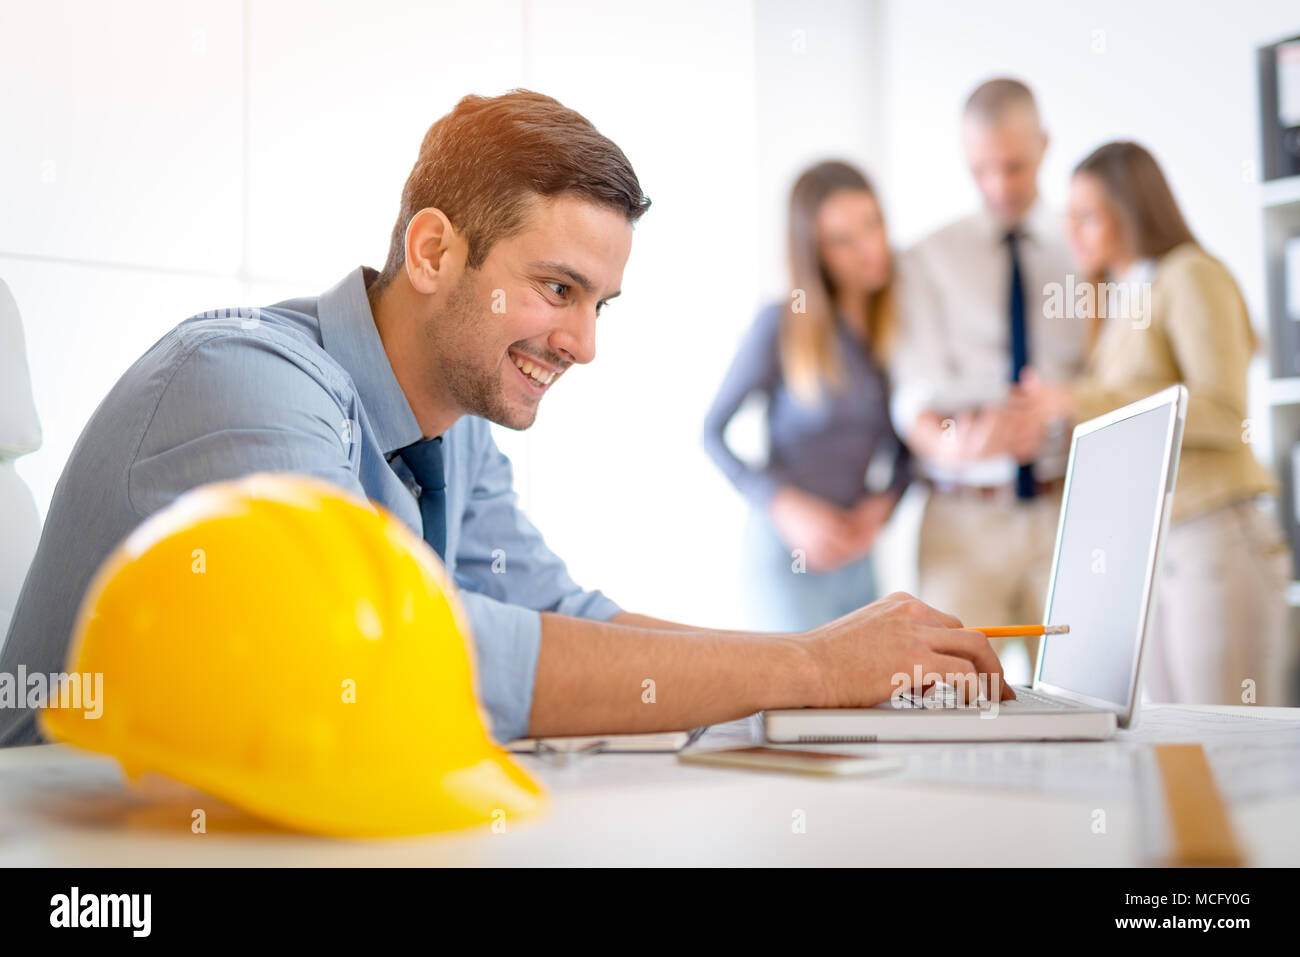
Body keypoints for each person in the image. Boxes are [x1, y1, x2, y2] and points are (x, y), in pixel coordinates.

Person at [0, 91, 1013, 750]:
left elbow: (559, 619)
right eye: (557, 288)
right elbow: (367, 652)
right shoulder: (242, 379)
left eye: (598, 306)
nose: (583, 343)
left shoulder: (455, 423)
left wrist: (824, 665)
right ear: (434, 251)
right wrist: (807, 668)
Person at [1017, 141, 1293, 706]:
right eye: (1068, 215)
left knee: (1223, 737)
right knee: (1170, 738)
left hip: (1214, 534)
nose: (1072, 232)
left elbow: (1221, 408)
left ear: (1132, 210)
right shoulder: (1121, 297)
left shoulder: (1190, 274)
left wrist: (1079, 401)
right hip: (1157, 546)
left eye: (1088, 215)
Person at [889, 78, 1089, 677]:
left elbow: (1114, 377)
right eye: (981, 170)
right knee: (954, 699)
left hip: (1067, 513)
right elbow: (912, 402)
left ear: (1045, 145)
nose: (999, 185)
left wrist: (1060, 412)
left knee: (1087, 698)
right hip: (963, 521)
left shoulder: (1086, 248)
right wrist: (962, 440)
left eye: (1014, 166)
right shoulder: (927, 259)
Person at [702, 161, 910, 632]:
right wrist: (784, 505)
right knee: (798, 703)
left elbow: (909, 448)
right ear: (815, 252)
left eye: (872, 225)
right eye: (841, 240)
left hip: (858, 558)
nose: (868, 249)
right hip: (786, 553)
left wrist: (885, 502)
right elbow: (711, 434)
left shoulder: (898, 328)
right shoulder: (781, 324)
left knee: (864, 702)